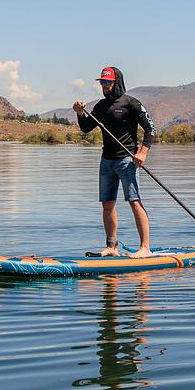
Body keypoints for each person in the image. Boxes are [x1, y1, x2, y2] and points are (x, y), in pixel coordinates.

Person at [73, 66, 155, 258]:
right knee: (107, 204)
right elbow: (86, 128)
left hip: (127, 161)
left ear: (116, 82)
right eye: (102, 82)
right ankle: (112, 246)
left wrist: (143, 152)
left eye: (107, 82)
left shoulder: (131, 103)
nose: (104, 85)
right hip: (106, 161)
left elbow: (150, 128)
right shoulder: (101, 106)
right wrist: (80, 113)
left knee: (134, 202)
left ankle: (145, 248)